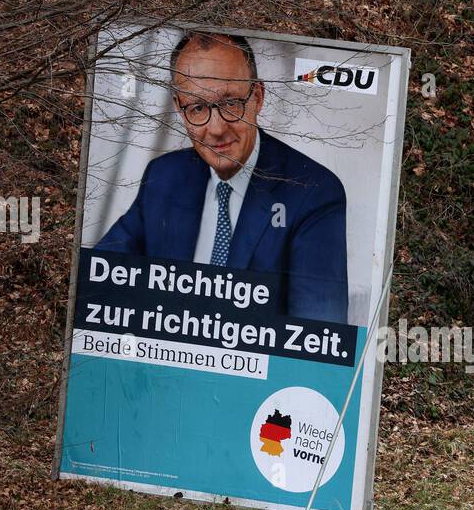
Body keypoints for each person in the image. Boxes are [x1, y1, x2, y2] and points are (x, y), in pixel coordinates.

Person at [96, 31, 348, 323]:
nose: (215, 129)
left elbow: (317, 334)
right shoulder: (164, 176)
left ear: (257, 97)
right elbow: (100, 280)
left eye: (230, 104)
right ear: (179, 107)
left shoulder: (313, 192)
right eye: (198, 108)